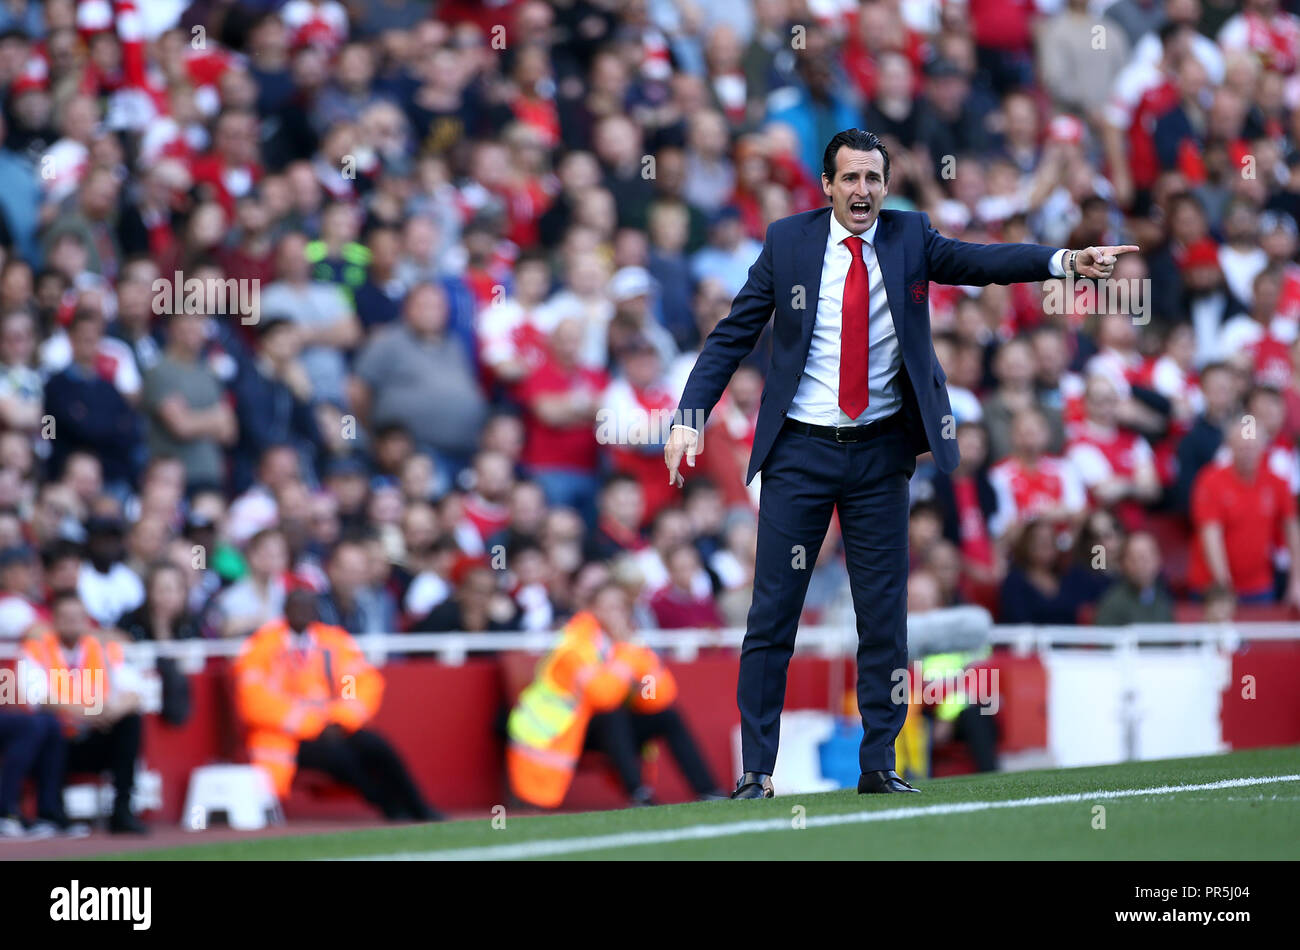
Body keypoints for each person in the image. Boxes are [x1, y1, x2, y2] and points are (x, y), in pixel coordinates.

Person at [663, 128, 1138, 798]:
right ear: (827, 185)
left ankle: (879, 765)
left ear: (886, 185)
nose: (862, 191)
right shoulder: (788, 241)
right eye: (850, 179)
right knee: (773, 616)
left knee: (884, 618)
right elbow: (732, 335)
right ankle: (756, 772)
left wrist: (1062, 261)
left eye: (873, 179)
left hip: (881, 453)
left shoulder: (910, 236)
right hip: (798, 452)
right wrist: (688, 417)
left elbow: (981, 261)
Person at [506, 581, 724, 808]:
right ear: (592, 609)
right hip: (565, 730)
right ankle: (638, 795)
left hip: (605, 725)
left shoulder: (629, 642)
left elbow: (657, 697)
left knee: (668, 716)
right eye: (609, 607)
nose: (616, 614)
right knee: (613, 715)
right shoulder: (576, 641)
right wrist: (627, 655)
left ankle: (709, 792)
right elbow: (603, 697)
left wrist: (633, 659)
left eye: (621, 607)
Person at [233, 589, 441, 821]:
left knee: (378, 747)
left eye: (308, 607)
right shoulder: (262, 646)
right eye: (296, 606)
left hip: (334, 725)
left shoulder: (332, 641)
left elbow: (354, 681)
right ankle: (388, 805)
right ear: (285, 610)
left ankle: (419, 807)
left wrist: (341, 718)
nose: (302, 612)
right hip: (287, 737)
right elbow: (255, 699)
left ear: (316, 612)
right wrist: (312, 724)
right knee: (341, 758)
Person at [22, 592, 147, 834]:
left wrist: (113, 710)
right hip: (55, 740)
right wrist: (85, 712)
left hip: (93, 735)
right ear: (54, 621)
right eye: (66, 617)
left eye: (78, 617)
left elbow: (134, 690)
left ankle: (122, 811)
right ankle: (53, 812)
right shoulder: (37, 649)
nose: (72, 623)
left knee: (130, 721)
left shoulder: (102, 649)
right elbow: (35, 696)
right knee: (46, 724)